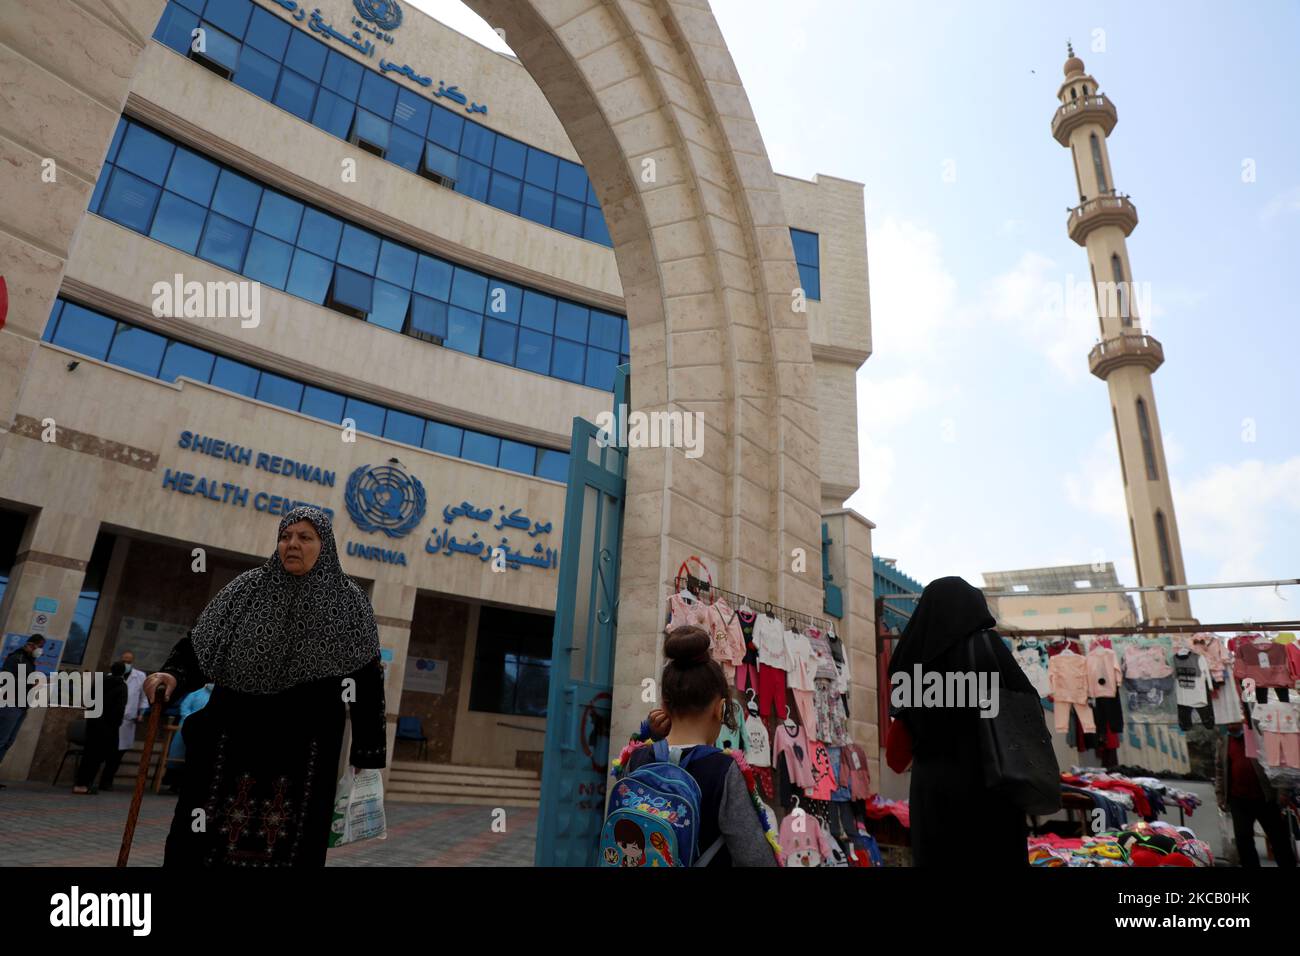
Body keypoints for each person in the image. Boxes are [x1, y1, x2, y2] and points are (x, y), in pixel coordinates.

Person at [142, 506, 387, 867]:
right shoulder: (245, 589)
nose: (292, 544)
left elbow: (367, 678)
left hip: (306, 744)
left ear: (325, 545)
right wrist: (173, 675)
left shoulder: (349, 603)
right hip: (232, 733)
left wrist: (367, 754)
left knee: (291, 842)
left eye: (305, 538)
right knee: (204, 838)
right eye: (285, 537)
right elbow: (200, 647)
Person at [887, 575, 1037, 867]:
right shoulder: (987, 648)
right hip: (994, 789)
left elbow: (896, 754)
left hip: (935, 797)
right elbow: (1028, 711)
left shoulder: (915, 662)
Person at [618, 625, 778, 866]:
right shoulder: (725, 769)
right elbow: (755, 857)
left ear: (664, 704)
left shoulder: (636, 758)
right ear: (721, 708)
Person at [1215, 721, 1296, 867]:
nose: (1230, 727)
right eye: (1228, 724)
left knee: (1279, 839)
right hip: (1238, 799)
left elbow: (1278, 762)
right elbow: (1220, 770)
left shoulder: (1258, 737)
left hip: (1265, 798)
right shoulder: (1224, 741)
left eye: (1234, 723)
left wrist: (1282, 791)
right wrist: (1220, 795)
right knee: (1243, 840)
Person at [73, 662, 129, 794]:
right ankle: (87, 784)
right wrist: (116, 724)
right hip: (108, 727)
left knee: (88, 754)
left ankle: (80, 783)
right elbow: (119, 708)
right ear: (123, 672)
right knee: (97, 757)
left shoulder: (100, 682)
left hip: (93, 723)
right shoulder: (121, 686)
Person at [0, 635, 46, 788]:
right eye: (39, 646)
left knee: (8, 741)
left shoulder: (29, 661)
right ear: (31, 645)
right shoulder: (16, 658)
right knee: (1, 740)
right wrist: (30, 682)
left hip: (21, 705)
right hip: (10, 704)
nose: (40, 650)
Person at [99, 649, 146, 791]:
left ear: (133, 662)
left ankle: (107, 781)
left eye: (129, 662)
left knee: (117, 754)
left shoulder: (140, 676)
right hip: (109, 720)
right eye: (124, 661)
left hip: (127, 721)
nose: (126, 664)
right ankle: (98, 779)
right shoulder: (109, 677)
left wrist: (141, 713)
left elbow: (143, 698)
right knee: (106, 750)